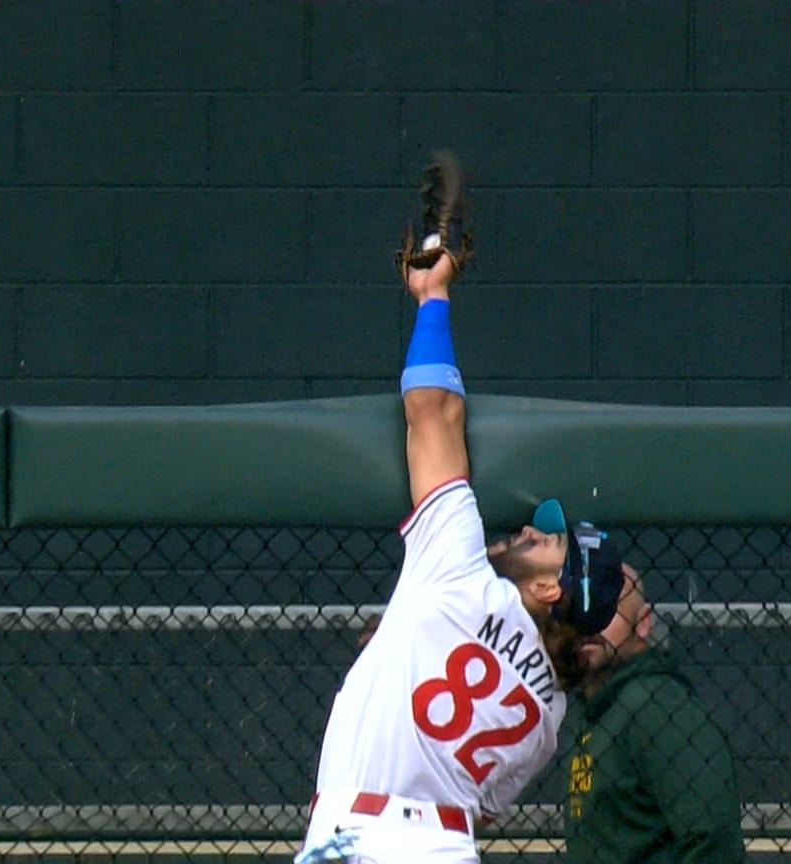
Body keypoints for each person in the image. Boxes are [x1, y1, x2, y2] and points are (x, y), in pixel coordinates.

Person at [297, 155, 627, 864]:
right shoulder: (548, 717)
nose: (534, 531)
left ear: (547, 591)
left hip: (368, 839)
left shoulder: (460, 571)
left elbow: (434, 414)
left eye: (551, 546)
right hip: (442, 844)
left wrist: (432, 297)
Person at [565, 563, 743, 863]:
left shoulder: (656, 704)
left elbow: (713, 834)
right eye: (577, 609)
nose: (589, 623)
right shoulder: (600, 710)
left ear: (643, 623)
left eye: (605, 608)